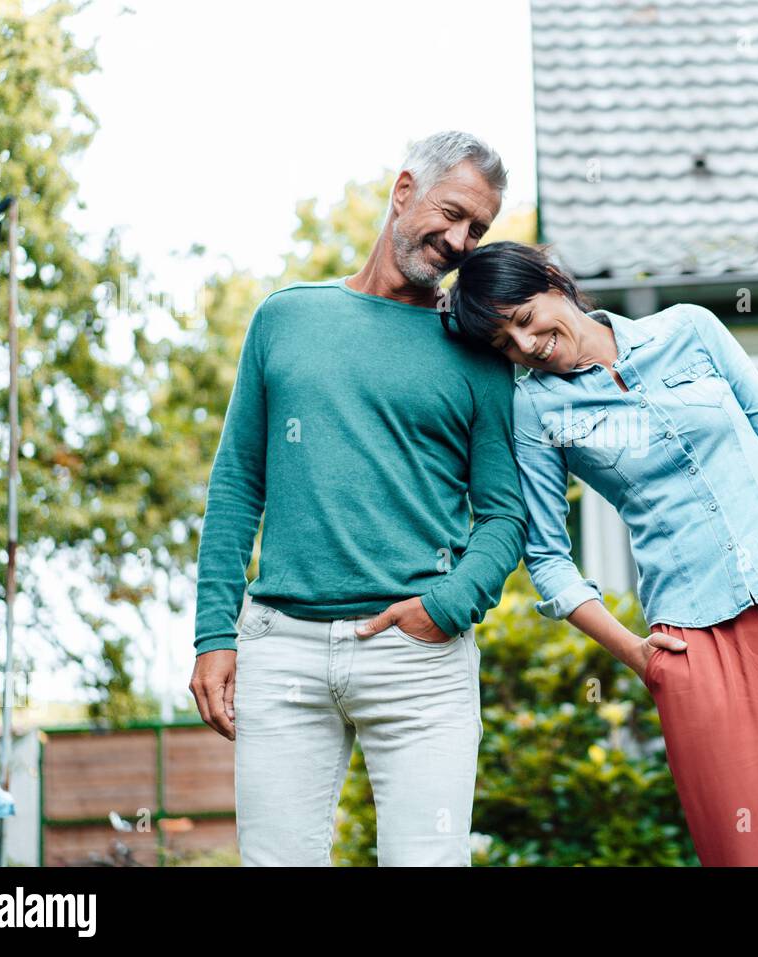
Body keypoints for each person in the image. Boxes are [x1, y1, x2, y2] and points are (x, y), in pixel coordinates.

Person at [447, 241, 758, 866]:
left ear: (553, 281)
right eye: (503, 345)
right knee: (748, 857)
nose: (524, 347)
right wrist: (635, 655)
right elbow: (547, 557)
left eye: (522, 320)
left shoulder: (689, 329)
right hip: (698, 647)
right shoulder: (535, 408)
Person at [189, 132, 527, 866]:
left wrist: (448, 605)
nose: (461, 240)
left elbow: (506, 514)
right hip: (281, 651)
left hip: (418, 661)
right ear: (404, 191)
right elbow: (237, 484)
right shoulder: (285, 319)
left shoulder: (479, 353)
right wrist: (214, 633)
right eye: (453, 212)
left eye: (479, 229)